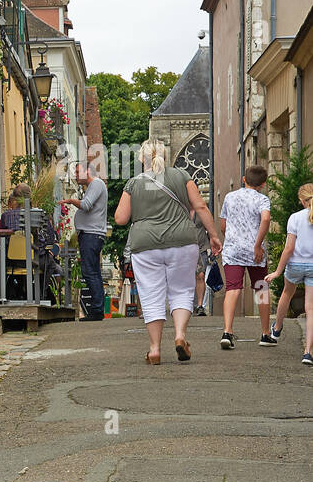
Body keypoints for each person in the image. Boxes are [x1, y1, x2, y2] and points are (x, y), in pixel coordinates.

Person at [114, 140, 222, 364]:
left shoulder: (134, 183)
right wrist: (213, 235)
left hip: (145, 246)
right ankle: (180, 336)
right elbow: (200, 206)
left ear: (142, 159)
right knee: (182, 289)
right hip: (182, 241)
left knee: (152, 295)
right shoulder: (182, 176)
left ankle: (154, 349)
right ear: (167, 156)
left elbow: (120, 219)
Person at [217, 166, 273, 349]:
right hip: (255, 252)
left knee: (233, 289)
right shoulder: (262, 199)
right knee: (261, 289)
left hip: (233, 249)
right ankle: (265, 333)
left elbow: (223, 225)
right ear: (263, 184)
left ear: (243, 180)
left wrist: (233, 239)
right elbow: (265, 219)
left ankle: (227, 332)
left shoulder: (229, 197)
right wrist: (257, 244)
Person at [264, 182, 313, 366]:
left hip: (295, 265)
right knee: (311, 309)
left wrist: (277, 271)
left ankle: (276, 329)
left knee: (287, 293)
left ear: (302, 201)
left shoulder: (295, 218)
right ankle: (308, 352)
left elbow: (289, 248)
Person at [63, 163, 108, 321]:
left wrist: (71, 200)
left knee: (90, 272)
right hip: (90, 234)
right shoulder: (92, 186)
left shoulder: (96, 183)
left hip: (91, 234)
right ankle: (97, 310)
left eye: (77, 172)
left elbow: (86, 205)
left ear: (87, 171)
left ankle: (96, 310)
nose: (75, 175)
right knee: (92, 272)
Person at [191, 209, 211, 316]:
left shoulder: (200, 210)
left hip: (201, 247)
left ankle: (200, 306)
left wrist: (213, 241)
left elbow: (209, 226)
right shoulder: (179, 209)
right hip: (183, 248)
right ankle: (187, 305)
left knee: (200, 275)